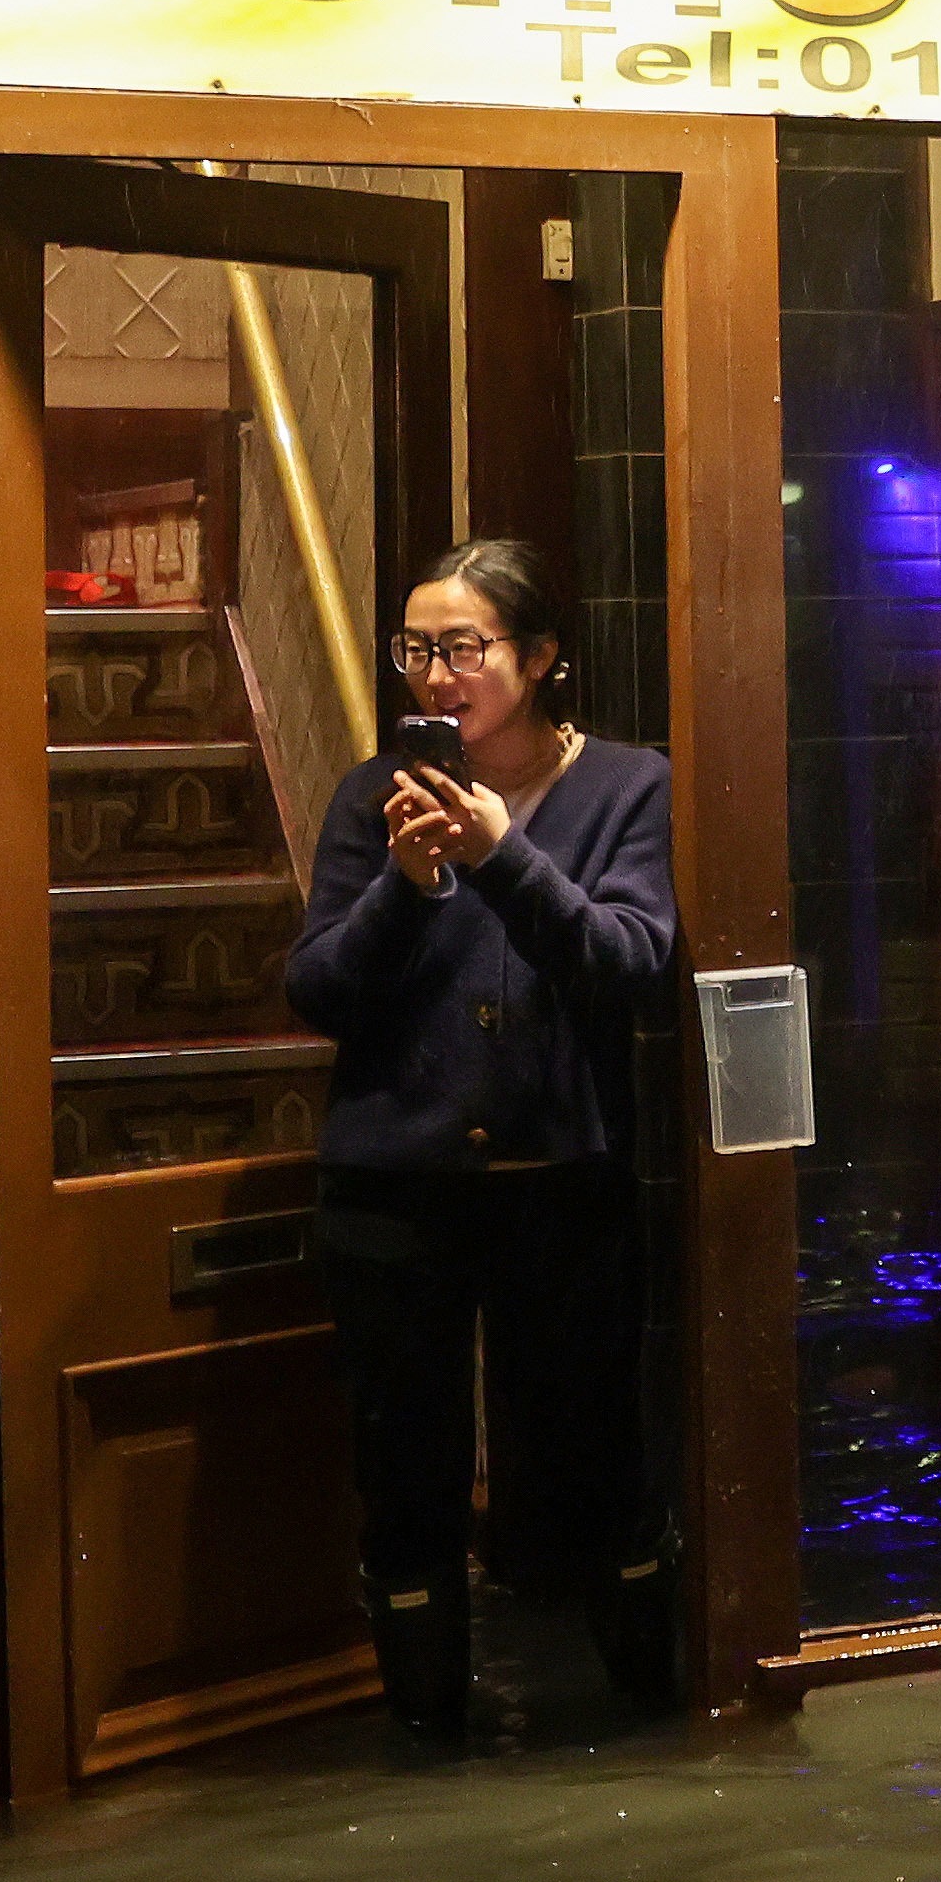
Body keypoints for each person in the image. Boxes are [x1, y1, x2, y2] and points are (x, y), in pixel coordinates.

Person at [283, 542, 684, 1746]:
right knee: (405, 1471)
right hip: (395, 1189)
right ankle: (425, 1737)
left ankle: (650, 1722)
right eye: (417, 648)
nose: (435, 673)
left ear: (540, 655)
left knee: (600, 1456)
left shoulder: (626, 785)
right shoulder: (376, 792)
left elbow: (630, 959)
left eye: (464, 647)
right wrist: (404, 884)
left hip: (560, 1184)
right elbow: (316, 989)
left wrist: (500, 855)